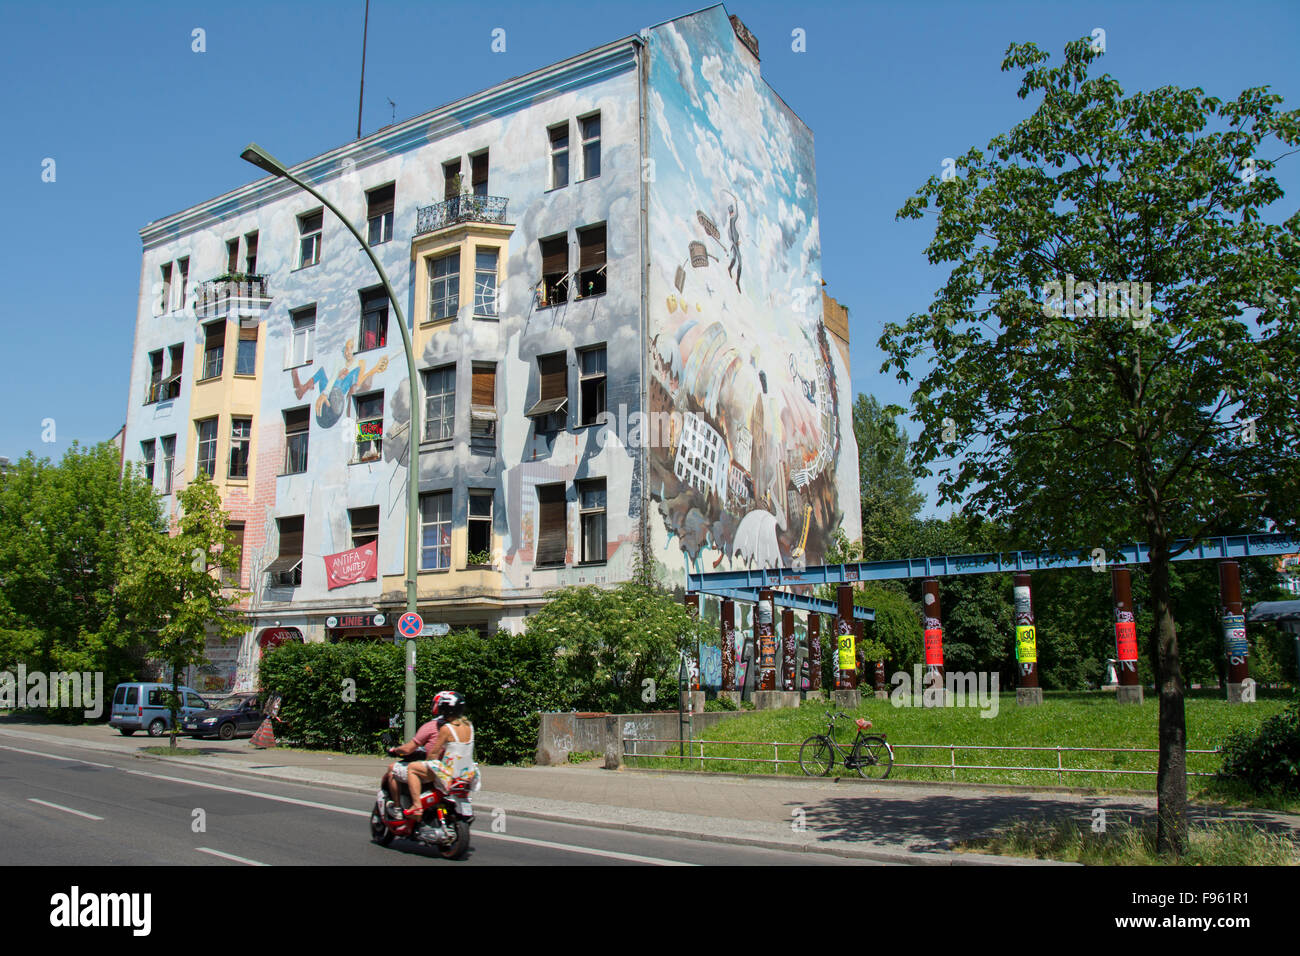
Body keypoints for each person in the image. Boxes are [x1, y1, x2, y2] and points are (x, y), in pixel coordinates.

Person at [405, 691, 476, 813]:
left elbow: (434, 753)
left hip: (450, 773)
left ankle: (417, 806)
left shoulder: (446, 729)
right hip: (467, 773)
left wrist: (427, 763)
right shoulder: (469, 726)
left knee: (412, 768)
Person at [383, 697, 448, 821]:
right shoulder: (461, 727)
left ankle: (399, 808)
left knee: (394, 769)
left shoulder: (431, 726)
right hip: (452, 769)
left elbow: (409, 748)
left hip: (435, 769)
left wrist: (395, 750)